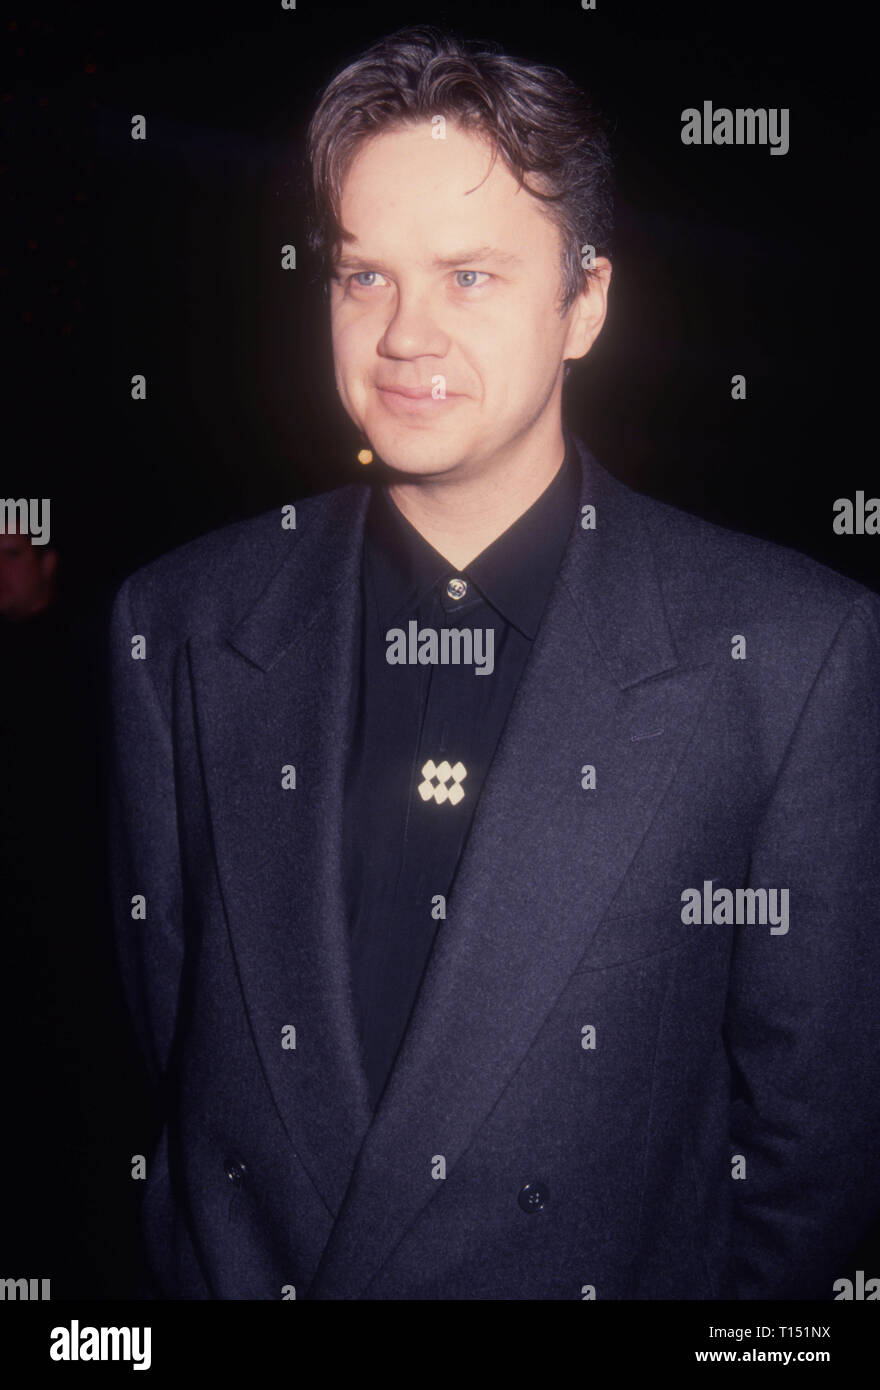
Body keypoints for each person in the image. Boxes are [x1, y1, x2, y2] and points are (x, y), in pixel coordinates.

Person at [108, 25, 880, 1300]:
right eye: (363, 277)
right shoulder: (178, 625)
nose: (403, 334)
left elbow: (810, 1154)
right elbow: (181, 1061)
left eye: (469, 277)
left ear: (587, 301)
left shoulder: (792, 656)